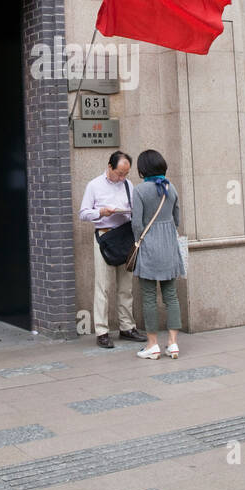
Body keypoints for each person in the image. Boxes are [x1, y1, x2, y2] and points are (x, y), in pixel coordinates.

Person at [79, 150, 145, 348]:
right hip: (105, 237)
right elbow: (83, 213)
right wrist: (101, 211)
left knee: (126, 286)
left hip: (124, 236)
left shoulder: (127, 185)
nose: (122, 177)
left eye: (126, 173)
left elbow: (134, 209)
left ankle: (127, 327)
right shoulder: (94, 185)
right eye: (119, 173)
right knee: (103, 287)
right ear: (110, 167)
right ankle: (102, 331)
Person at [130, 149, 184, 360]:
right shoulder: (172, 187)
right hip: (169, 245)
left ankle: (152, 344)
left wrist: (140, 239)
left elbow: (136, 223)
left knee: (150, 298)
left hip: (149, 246)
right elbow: (176, 218)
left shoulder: (140, 190)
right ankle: (173, 343)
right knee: (171, 296)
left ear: (143, 169)